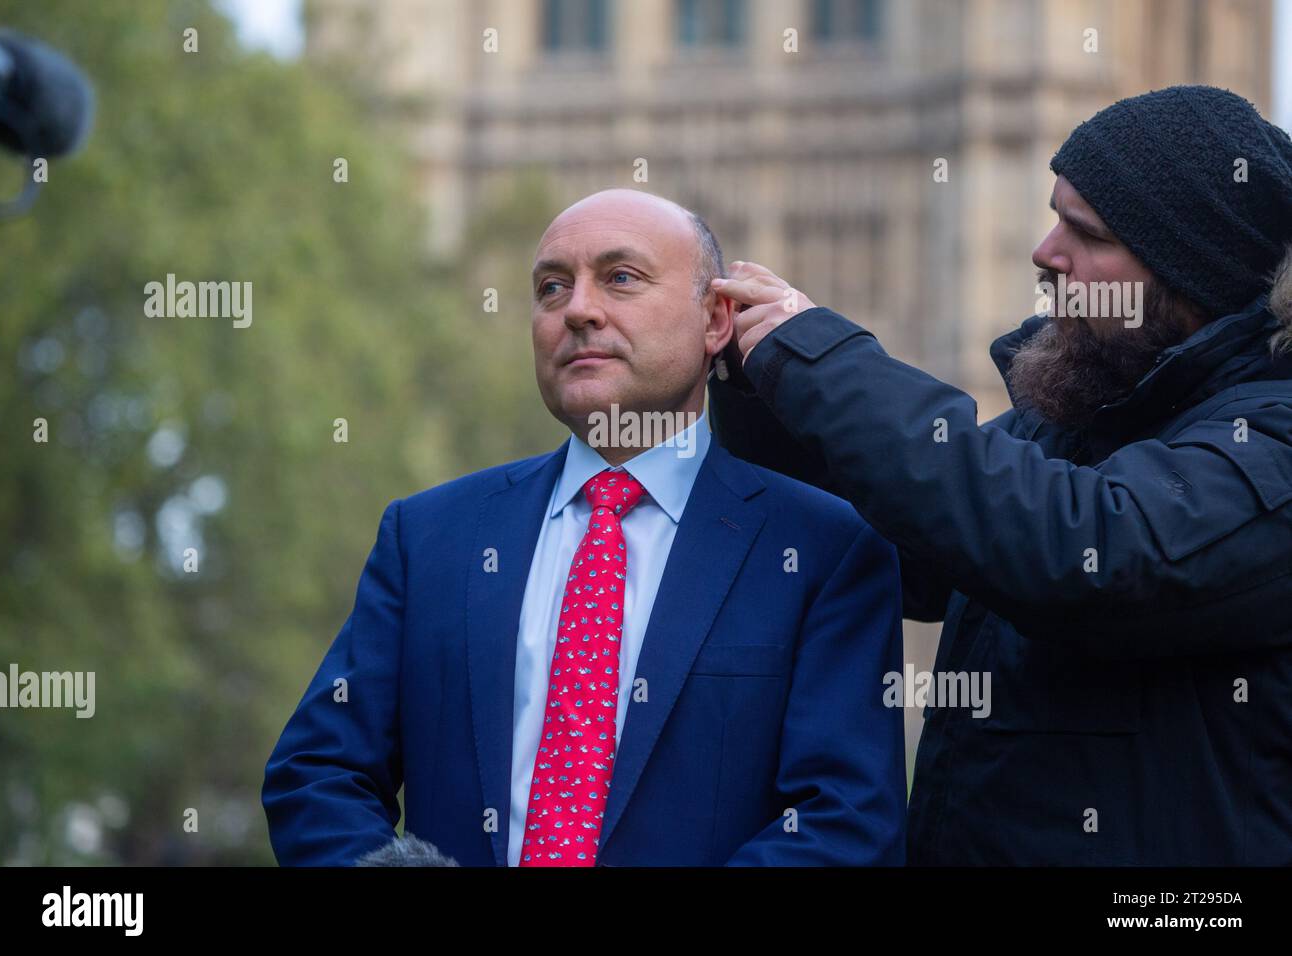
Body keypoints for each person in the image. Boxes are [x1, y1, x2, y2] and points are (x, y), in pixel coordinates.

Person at [707, 85, 1292, 865]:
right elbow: (906, 549)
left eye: (1085, 233)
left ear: (1191, 278)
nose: (1045, 252)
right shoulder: (1080, 417)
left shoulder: (1272, 437)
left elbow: (1087, 554)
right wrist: (759, 395)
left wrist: (819, 360)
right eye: (1056, 215)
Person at [263, 188, 907, 866]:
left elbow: (845, 825)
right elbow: (316, 775)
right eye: (551, 288)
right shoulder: (428, 538)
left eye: (621, 278)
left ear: (717, 320)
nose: (577, 310)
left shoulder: (822, 549)